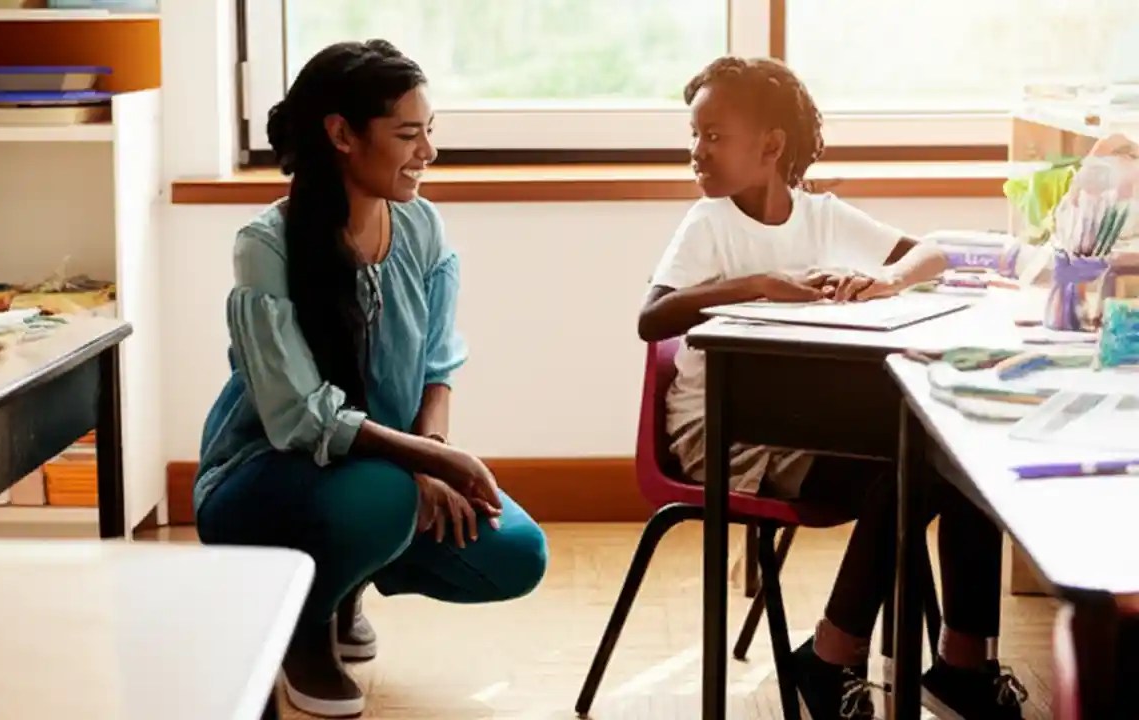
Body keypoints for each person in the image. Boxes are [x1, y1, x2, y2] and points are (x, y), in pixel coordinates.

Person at [637, 56, 1027, 719]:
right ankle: (829, 656)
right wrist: (759, 284)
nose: (697, 152)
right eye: (694, 135)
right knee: (909, 468)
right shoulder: (709, 224)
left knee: (958, 458)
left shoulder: (821, 216)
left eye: (713, 135)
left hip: (808, 422)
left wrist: (890, 280)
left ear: (771, 146)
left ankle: (964, 664)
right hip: (725, 430)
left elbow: (930, 249)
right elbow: (653, 318)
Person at [193, 39, 548, 719]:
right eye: (408, 134)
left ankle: (345, 581)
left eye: (430, 132)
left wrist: (435, 462)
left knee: (516, 554)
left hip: (381, 476)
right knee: (385, 493)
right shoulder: (267, 245)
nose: (428, 153)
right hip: (259, 481)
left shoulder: (420, 226)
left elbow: (437, 365)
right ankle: (301, 631)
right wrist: (426, 461)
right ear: (341, 135)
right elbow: (300, 418)